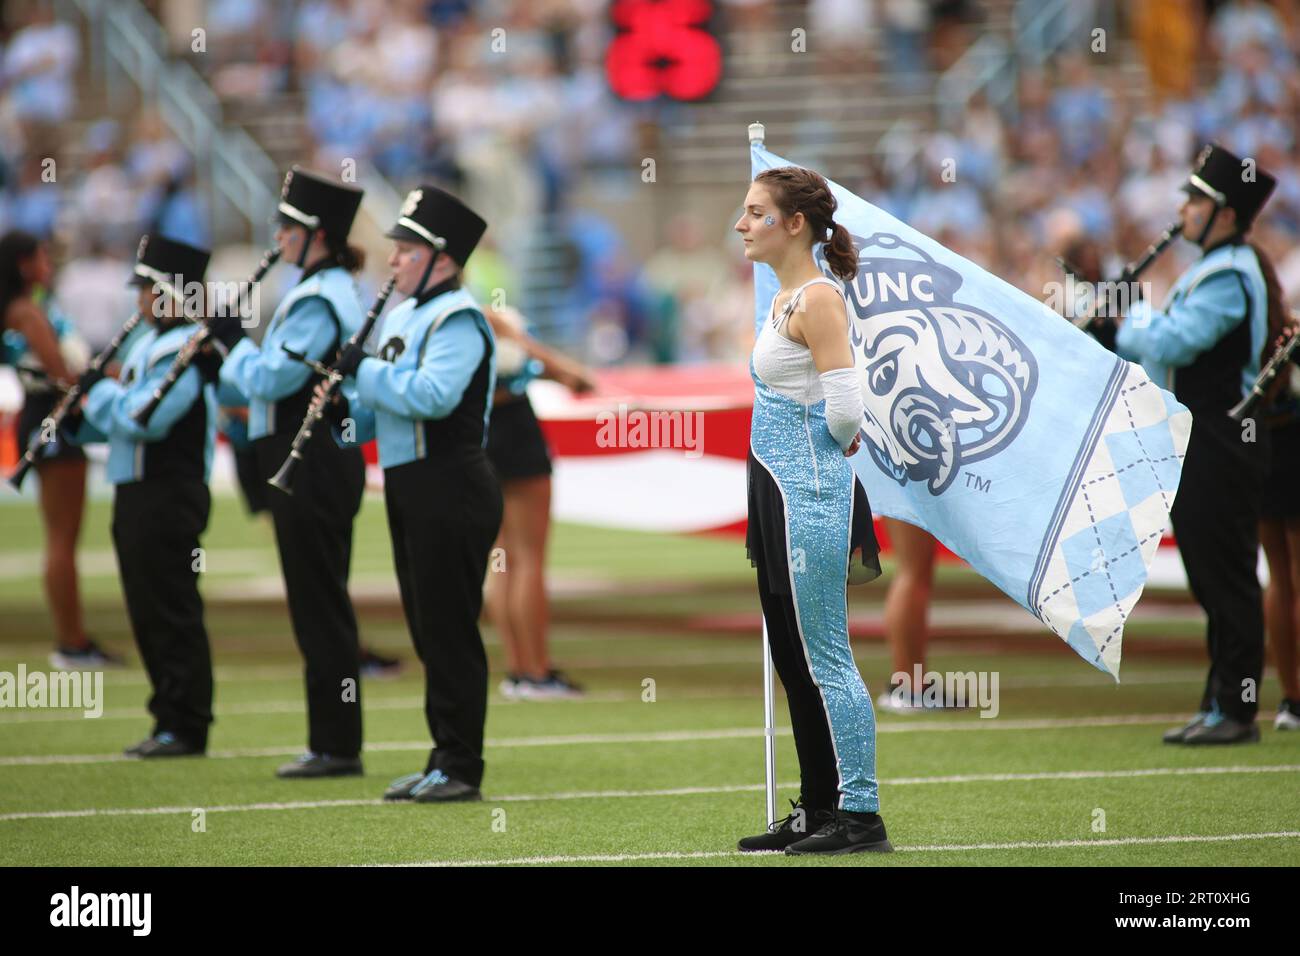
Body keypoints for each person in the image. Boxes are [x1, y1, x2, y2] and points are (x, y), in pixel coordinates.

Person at [325, 184, 502, 803]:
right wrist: (342, 414)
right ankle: (441, 756)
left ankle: (461, 765)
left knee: (448, 627)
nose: (393, 259)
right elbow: (384, 413)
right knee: (427, 627)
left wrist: (363, 373)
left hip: (450, 483)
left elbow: (430, 396)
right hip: (409, 483)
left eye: (406, 249)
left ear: (443, 259)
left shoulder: (459, 318)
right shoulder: (403, 314)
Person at [734, 166, 891, 854]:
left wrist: (817, 458)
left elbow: (846, 410)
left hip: (809, 495)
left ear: (793, 224)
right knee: (795, 660)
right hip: (777, 491)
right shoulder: (782, 297)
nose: (741, 224)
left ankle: (861, 816)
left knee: (826, 656)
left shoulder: (817, 300)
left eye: (755, 212)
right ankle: (818, 808)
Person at [1112, 143, 1283, 745]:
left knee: (1227, 575)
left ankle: (1237, 712)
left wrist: (1122, 317)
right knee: (1211, 576)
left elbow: (1178, 342)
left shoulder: (1231, 272)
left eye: (1196, 200)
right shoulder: (1215, 265)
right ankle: (1220, 700)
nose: (1183, 209)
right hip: (1203, 437)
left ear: (1227, 214)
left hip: (1223, 437)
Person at [211, 167, 370, 778]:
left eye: (287, 227)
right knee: (317, 598)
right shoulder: (321, 289)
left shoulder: (318, 296)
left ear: (317, 235)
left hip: (310, 458)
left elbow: (271, 379)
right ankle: (332, 740)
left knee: (319, 601)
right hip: (302, 453)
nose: (276, 236)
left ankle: (336, 745)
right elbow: (256, 379)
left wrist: (230, 343)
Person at [70, 235, 216, 757]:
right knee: (147, 608)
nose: (140, 302)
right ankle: (167, 717)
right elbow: (121, 420)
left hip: (169, 492)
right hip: (136, 490)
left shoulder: (189, 346)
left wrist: (96, 391)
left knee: (171, 608)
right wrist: (79, 411)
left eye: (150, 292)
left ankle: (186, 722)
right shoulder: (148, 344)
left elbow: (144, 418)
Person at [0, 230, 108, 668]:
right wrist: (100, 378)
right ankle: (71, 641)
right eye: (42, 255)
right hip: (53, 419)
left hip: (42, 415)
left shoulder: (23, 305)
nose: (49, 262)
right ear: (25, 263)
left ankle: (73, 637)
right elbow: (61, 371)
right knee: (63, 538)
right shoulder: (26, 309)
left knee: (61, 537)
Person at [483, 304, 595, 700]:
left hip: (479, 432)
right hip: (513, 426)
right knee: (528, 557)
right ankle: (536, 671)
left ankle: (518, 670)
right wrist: (571, 374)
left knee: (502, 557)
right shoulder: (478, 311)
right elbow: (525, 350)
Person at [1258, 324, 1300, 730]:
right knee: (1290, 577)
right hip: (1286, 439)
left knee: (1279, 577)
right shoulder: (1281, 320)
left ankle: (1292, 700)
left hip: (1268, 441)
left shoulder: (1268, 316)